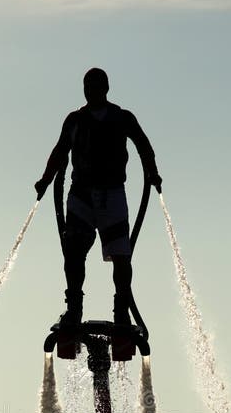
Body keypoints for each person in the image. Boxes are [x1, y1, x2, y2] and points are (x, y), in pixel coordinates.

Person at [34, 67, 162, 326]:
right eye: (87, 86)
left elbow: (144, 146)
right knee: (73, 252)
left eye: (95, 86)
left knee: (122, 257)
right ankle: (74, 308)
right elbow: (60, 151)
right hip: (81, 197)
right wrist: (45, 180)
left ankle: (121, 310)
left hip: (112, 196)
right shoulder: (74, 120)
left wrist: (153, 174)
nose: (90, 91)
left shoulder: (122, 118)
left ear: (105, 88)